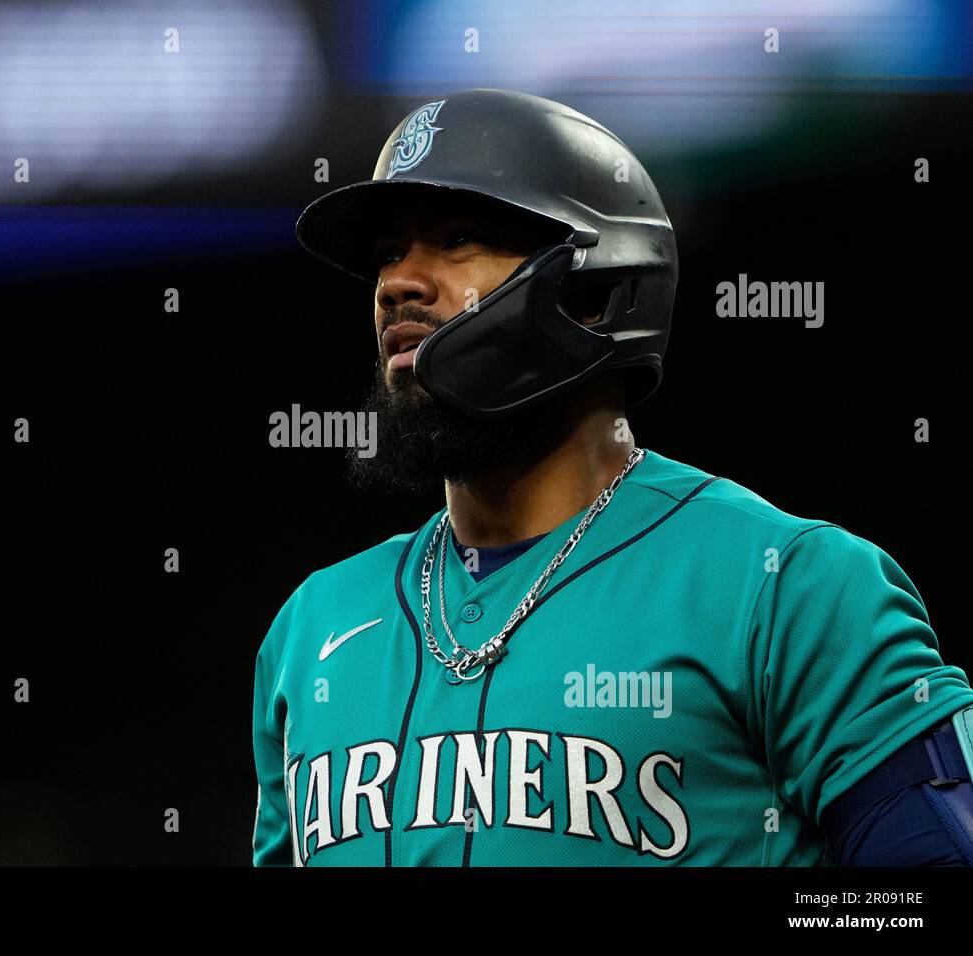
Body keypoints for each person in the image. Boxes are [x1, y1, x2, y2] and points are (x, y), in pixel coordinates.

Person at [252, 89, 973, 866]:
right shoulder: (311, 629)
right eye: (389, 252)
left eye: (457, 238)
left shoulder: (789, 587)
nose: (398, 282)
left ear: (594, 291)